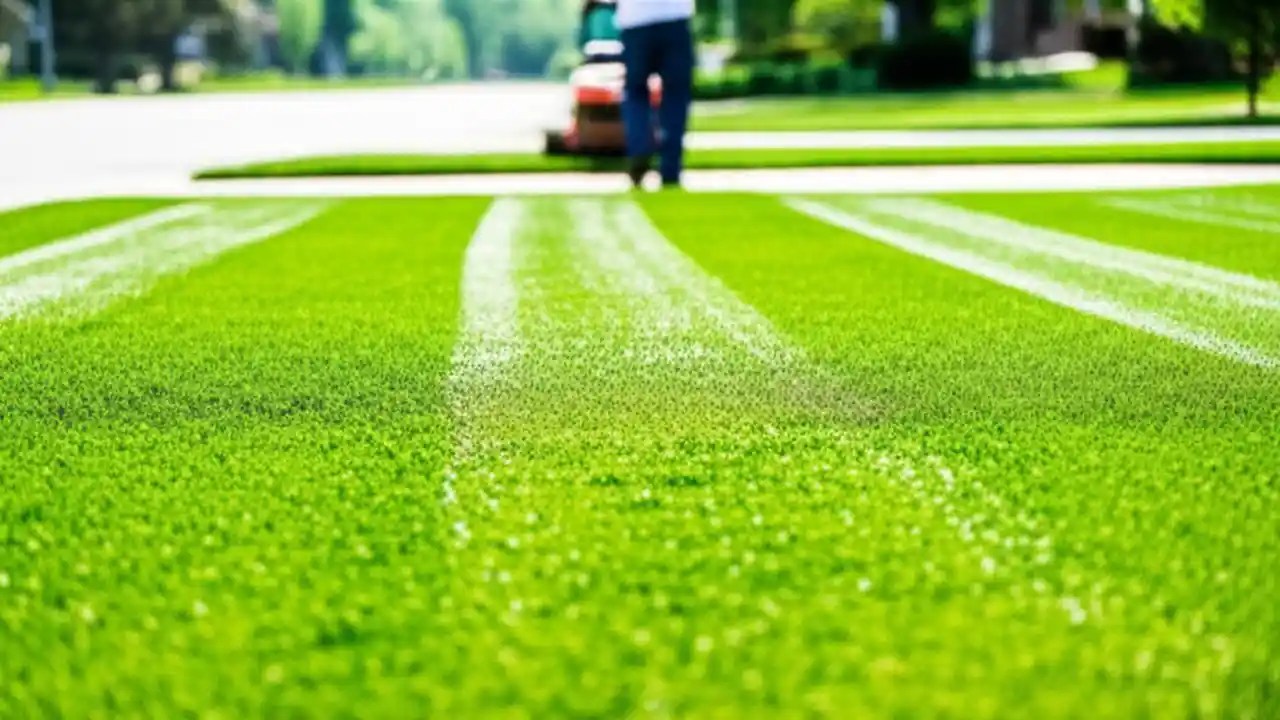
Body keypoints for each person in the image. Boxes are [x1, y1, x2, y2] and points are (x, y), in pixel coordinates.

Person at [616, 0, 694, 189]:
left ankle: (639, 147)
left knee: (635, 92)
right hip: (675, 17)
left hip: (635, 20)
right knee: (676, 96)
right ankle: (670, 165)